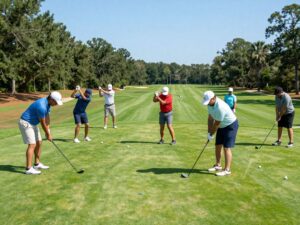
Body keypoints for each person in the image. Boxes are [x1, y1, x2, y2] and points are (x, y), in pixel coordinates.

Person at [18, 91, 63, 175]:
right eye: (56, 102)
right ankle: (28, 169)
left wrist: (48, 131)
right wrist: (48, 134)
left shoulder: (48, 104)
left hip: (33, 123)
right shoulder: (41, 106)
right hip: (26, 123)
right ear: (51, 99)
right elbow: (42, 123)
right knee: (32, 144)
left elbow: (47, 117)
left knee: (39, 142)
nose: (56, 104)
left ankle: (37, 164)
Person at [202, 90, 238, 176]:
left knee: (226, 147)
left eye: (208, 101)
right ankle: (218, 165)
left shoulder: (220, 107)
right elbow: (210, 118)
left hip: (230, 125)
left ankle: (227, 169)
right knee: (218, 145)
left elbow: (216, 124)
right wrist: (208, 132)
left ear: (213, 98)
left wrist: (211, 134)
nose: (207, 103)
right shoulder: (210, 104)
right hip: (222, 125)